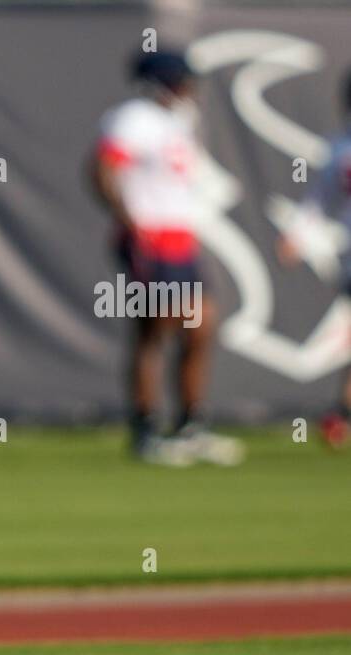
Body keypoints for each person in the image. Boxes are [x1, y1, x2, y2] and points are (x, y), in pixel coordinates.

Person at [90, 50, 243, 466]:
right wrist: (129, 221)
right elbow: (102, 169)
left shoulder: (178, 121)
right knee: (155, 331)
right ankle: (145, 429)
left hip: (180, 238)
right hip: (150, 237)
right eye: (181, 80)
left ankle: (191, 423)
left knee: (200, 326)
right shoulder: (133, 118)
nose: (189, 88)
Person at [277, 69, 351, 449]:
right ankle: (341, 413)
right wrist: (298, 236)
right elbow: (319, 202)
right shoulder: (341, 149)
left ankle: (341, 412)